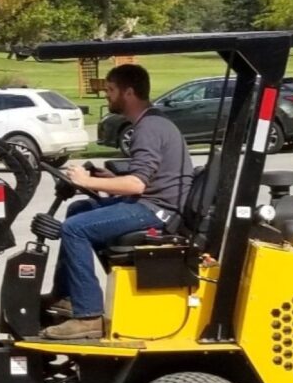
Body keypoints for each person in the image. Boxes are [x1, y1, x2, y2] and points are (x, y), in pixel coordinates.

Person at [42, 64, 193, 341]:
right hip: (153, 201)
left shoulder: (148, 128)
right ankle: (67, 296)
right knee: (78, 209)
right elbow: (145, 176)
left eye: (111, 90)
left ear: (129, 92)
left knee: (75, 228)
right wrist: (110, 179)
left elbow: (137, 185)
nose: (107, 96)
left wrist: (86, 180)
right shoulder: (154, 123)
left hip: (156, 211)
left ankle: (88, 316)